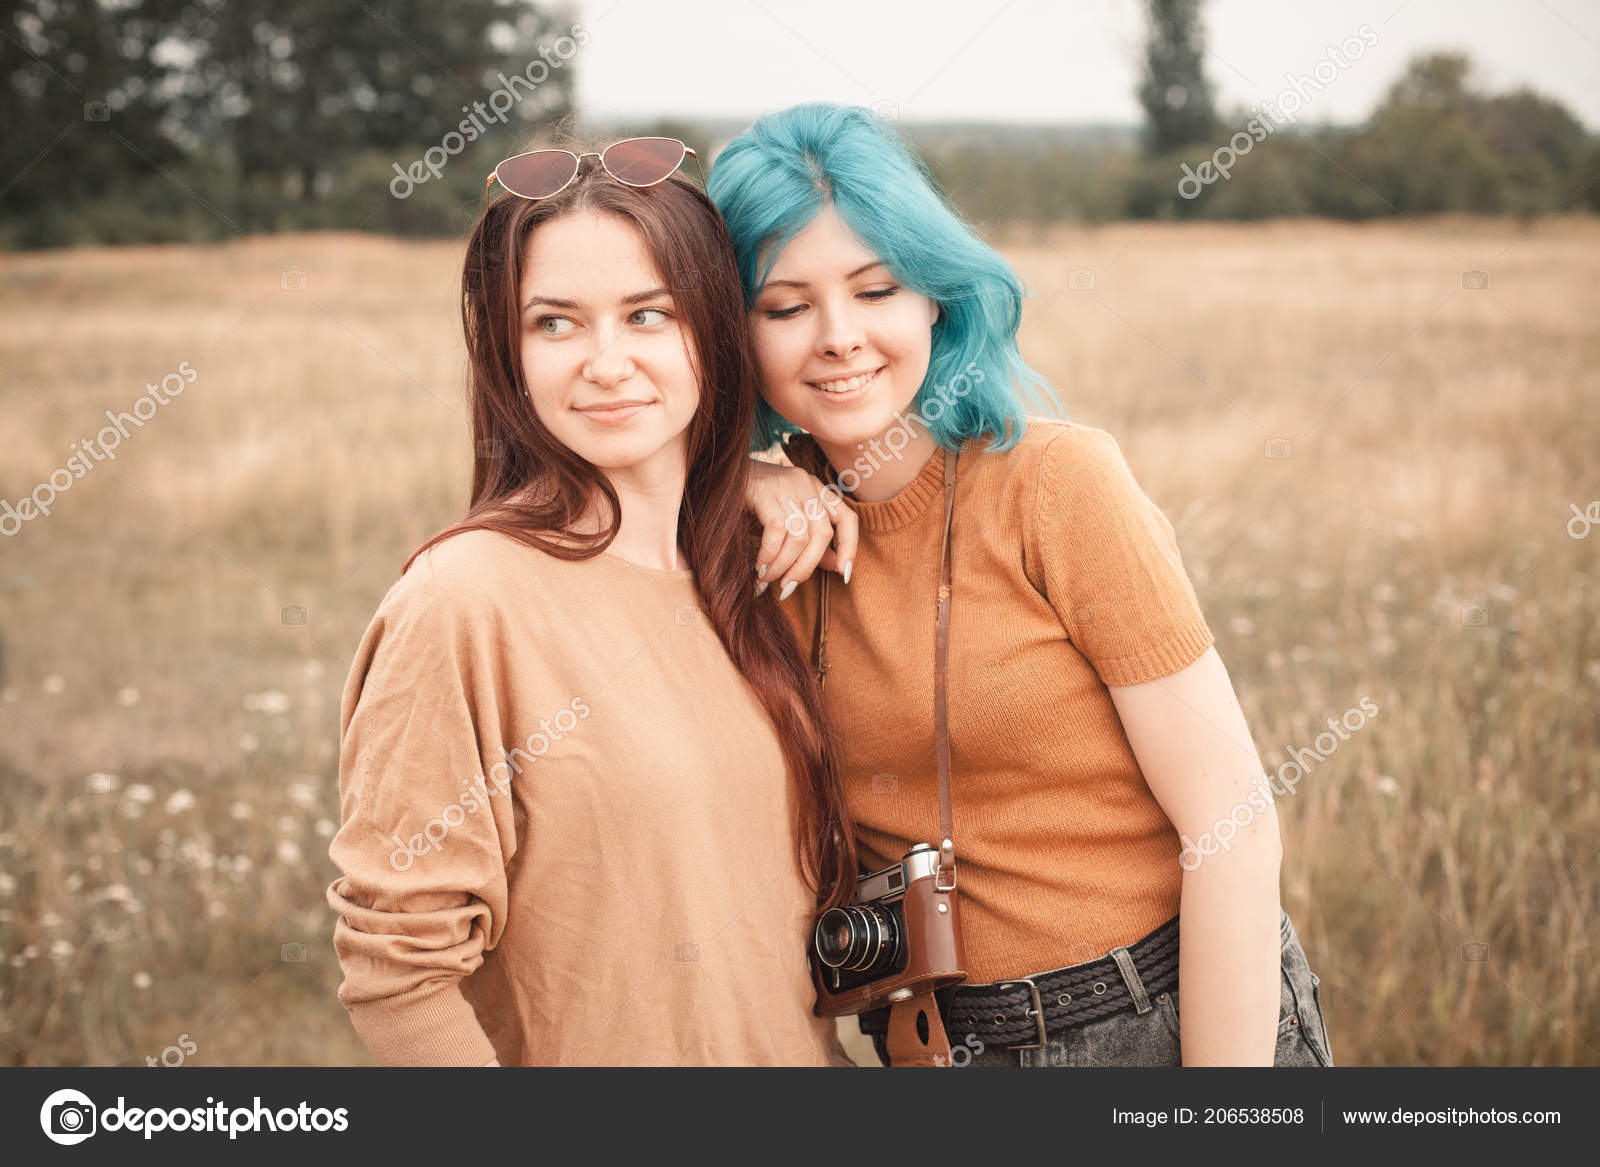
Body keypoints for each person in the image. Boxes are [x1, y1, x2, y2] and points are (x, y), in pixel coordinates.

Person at [712, 104, 1333, 1067]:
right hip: (933, 1051)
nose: (838, 337)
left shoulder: (1058, 485)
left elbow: (1233, 823)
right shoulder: (745, 540)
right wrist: (739, 474)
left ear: (935, 298)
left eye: (876, 289)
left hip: (1157, 1015)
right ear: (733, 335)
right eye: (785, 307)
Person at [325, 136, 857, 1066]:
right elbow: (400, 979)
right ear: (508, 351)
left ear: (713, 335)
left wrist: (754, 481)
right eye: (556, 324)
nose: (605, 362)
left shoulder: (755, 570)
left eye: (648, 315)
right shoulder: (464, 602)